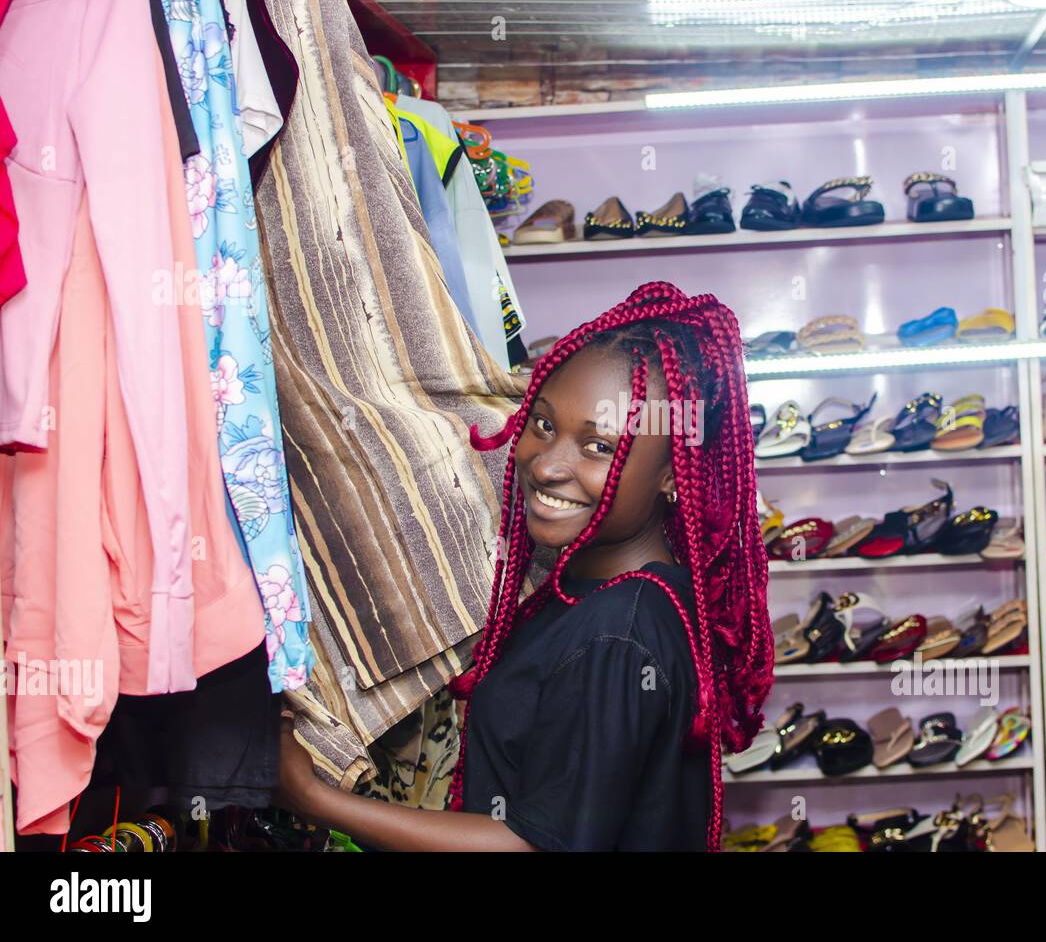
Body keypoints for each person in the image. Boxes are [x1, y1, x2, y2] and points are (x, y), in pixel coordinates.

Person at [274, 281, 774, 851]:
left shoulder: (618, 631)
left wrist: (315, 800)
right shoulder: (609, 592)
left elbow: (531, 845)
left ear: (670, 474)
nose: (547, 466)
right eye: (542, 424)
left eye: (598, 446)